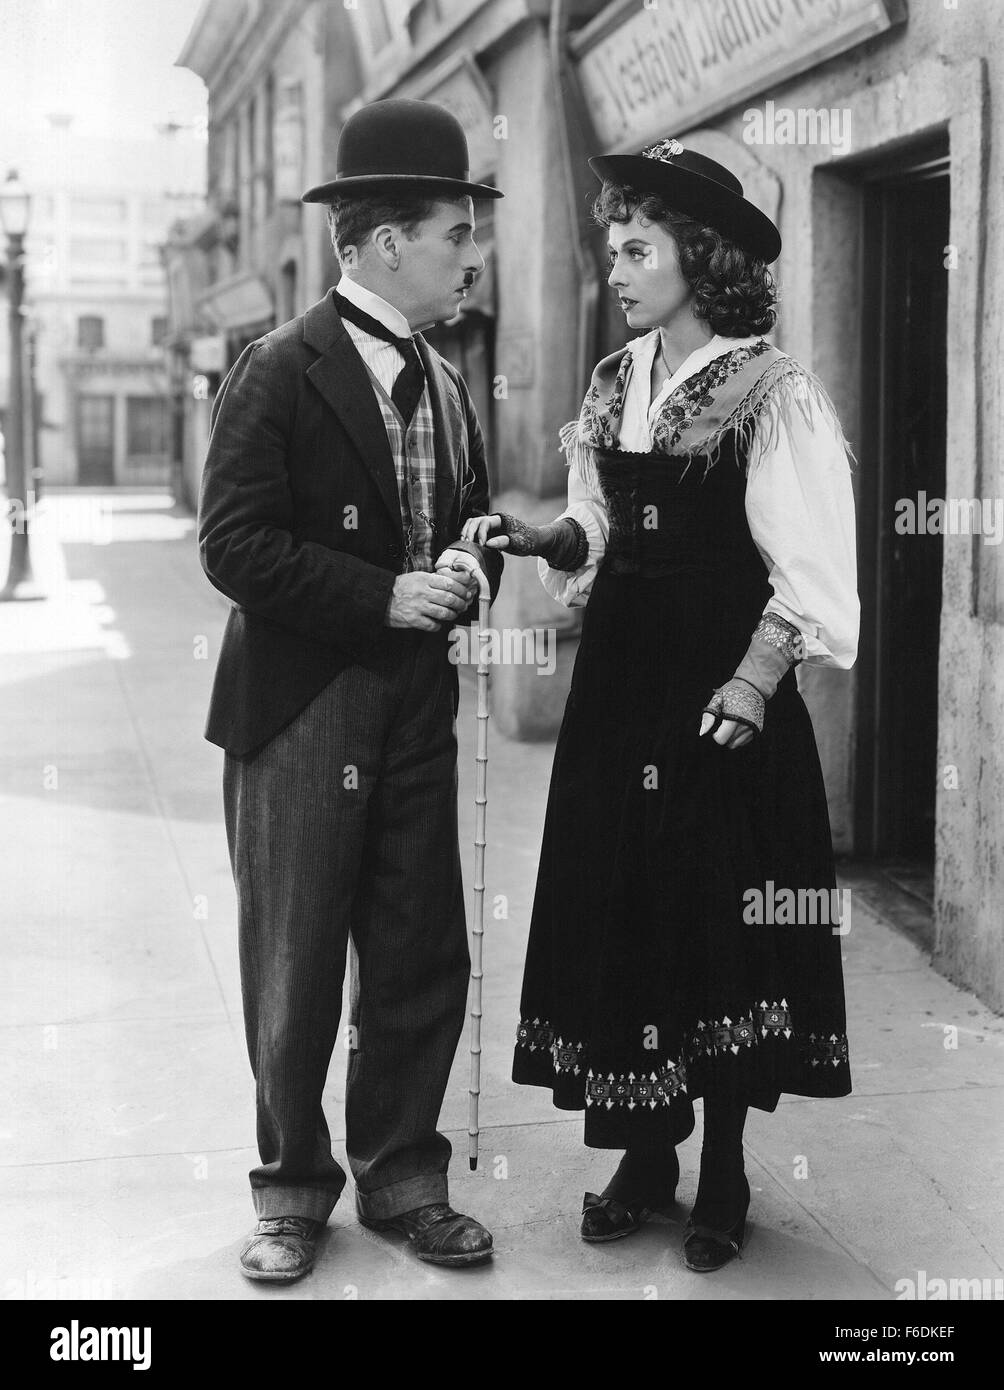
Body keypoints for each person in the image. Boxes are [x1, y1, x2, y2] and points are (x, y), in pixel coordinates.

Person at [464, 137, 858, 1272]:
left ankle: (723, 1168)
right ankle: (643, 1154)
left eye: (636, 248)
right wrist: (545, 536)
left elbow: (812, 573)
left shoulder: (772, 390)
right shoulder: (611, 379)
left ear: (700, 253)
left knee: (717, 912)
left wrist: (752, 680)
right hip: (620, 687)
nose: (617, 268)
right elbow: (597, 521)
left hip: (717, 693)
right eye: (611, 247)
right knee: (622, 902)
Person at [198, 99, 504, 1283]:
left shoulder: (449, 379)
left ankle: (404, 1182)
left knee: (422, 948)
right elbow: (232, 546)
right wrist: (381, 596)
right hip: (299, 704)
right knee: (296, 958)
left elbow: (463, 521)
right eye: (452, 234)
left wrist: (466, 569)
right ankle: (290, 1194)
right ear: (383, 243)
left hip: (414, 705)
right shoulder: (277, 369)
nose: (468, 256)